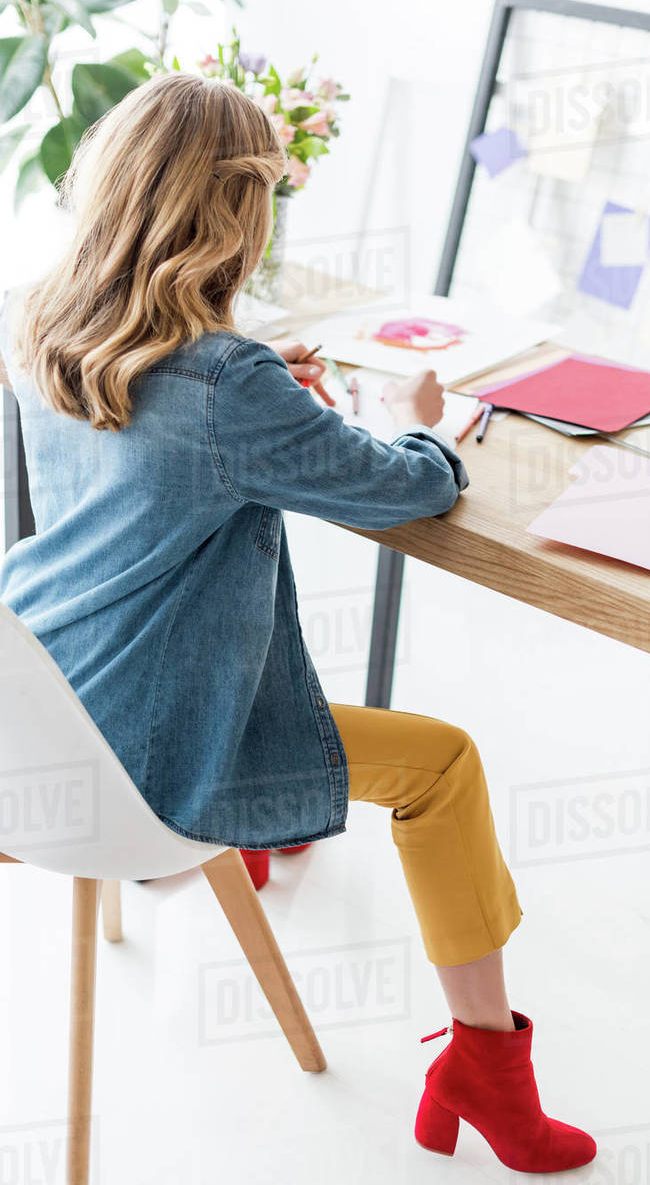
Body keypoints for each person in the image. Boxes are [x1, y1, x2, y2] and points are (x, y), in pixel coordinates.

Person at [0, 72, 596, 1174]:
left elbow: (45, 512)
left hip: (27, 730)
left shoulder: (39, 323)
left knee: (335, 721)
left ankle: (463, 1050)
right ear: (236, 213)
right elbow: (406, 490)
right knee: (444, 767)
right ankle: (484, 1066)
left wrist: (269, 389)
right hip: (148, 762)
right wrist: (429, 426)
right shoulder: (231, 383)